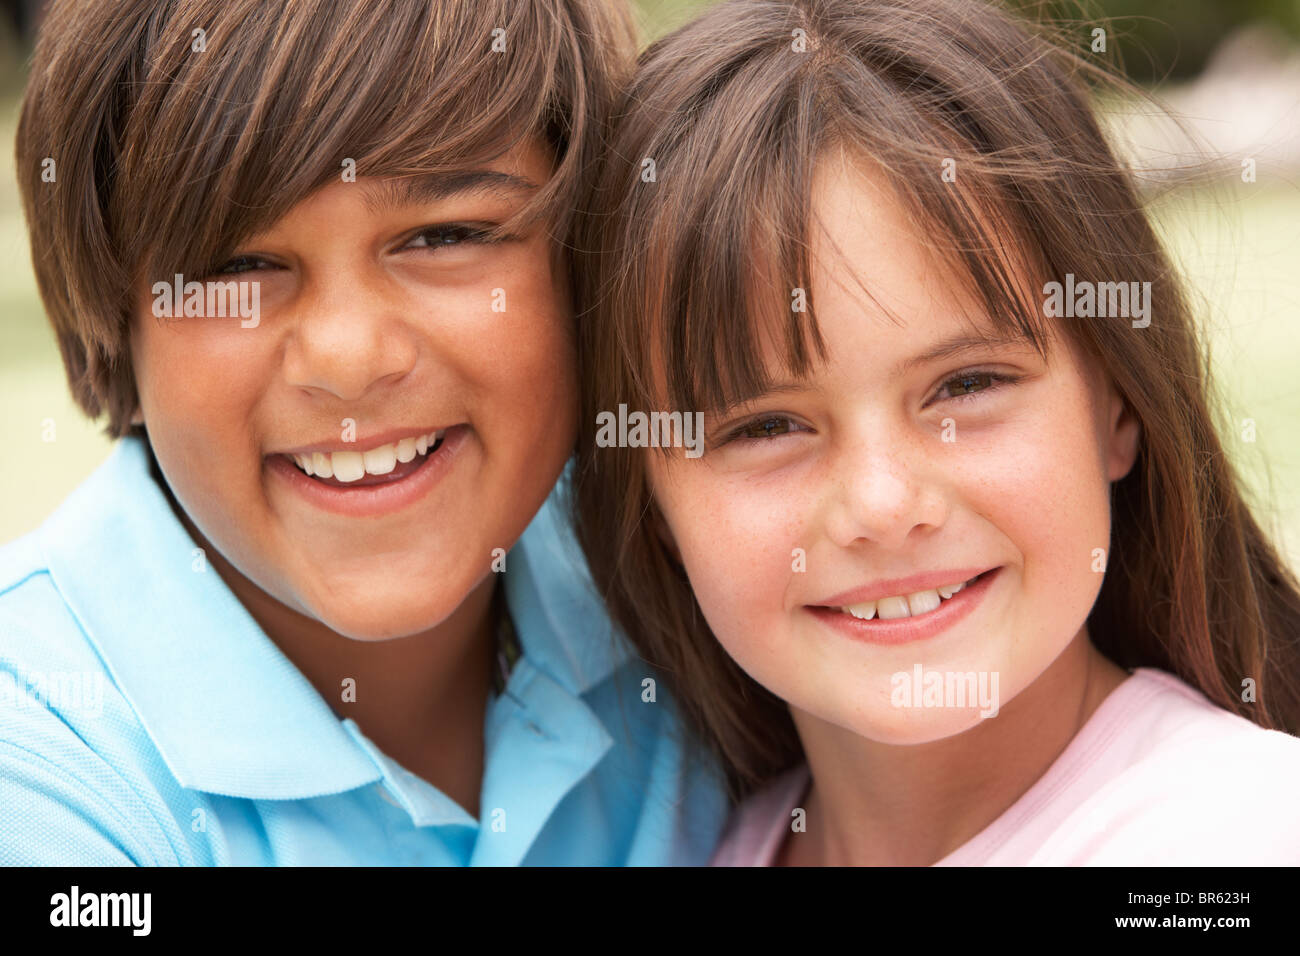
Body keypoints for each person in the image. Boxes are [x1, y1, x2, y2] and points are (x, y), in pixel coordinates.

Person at [572, 0, 1300, 865]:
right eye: (765, 427)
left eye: (967, 384)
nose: (884, 505)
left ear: (1119, 402)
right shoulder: (707, 841)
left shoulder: (1239, 838)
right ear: (651, 500)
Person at [0, 0, 727, 865]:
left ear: (593, 258)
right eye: (239, 265)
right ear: (121, 323)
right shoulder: (42, 768)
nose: (347, 360)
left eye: (445, 235)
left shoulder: (709, 583)